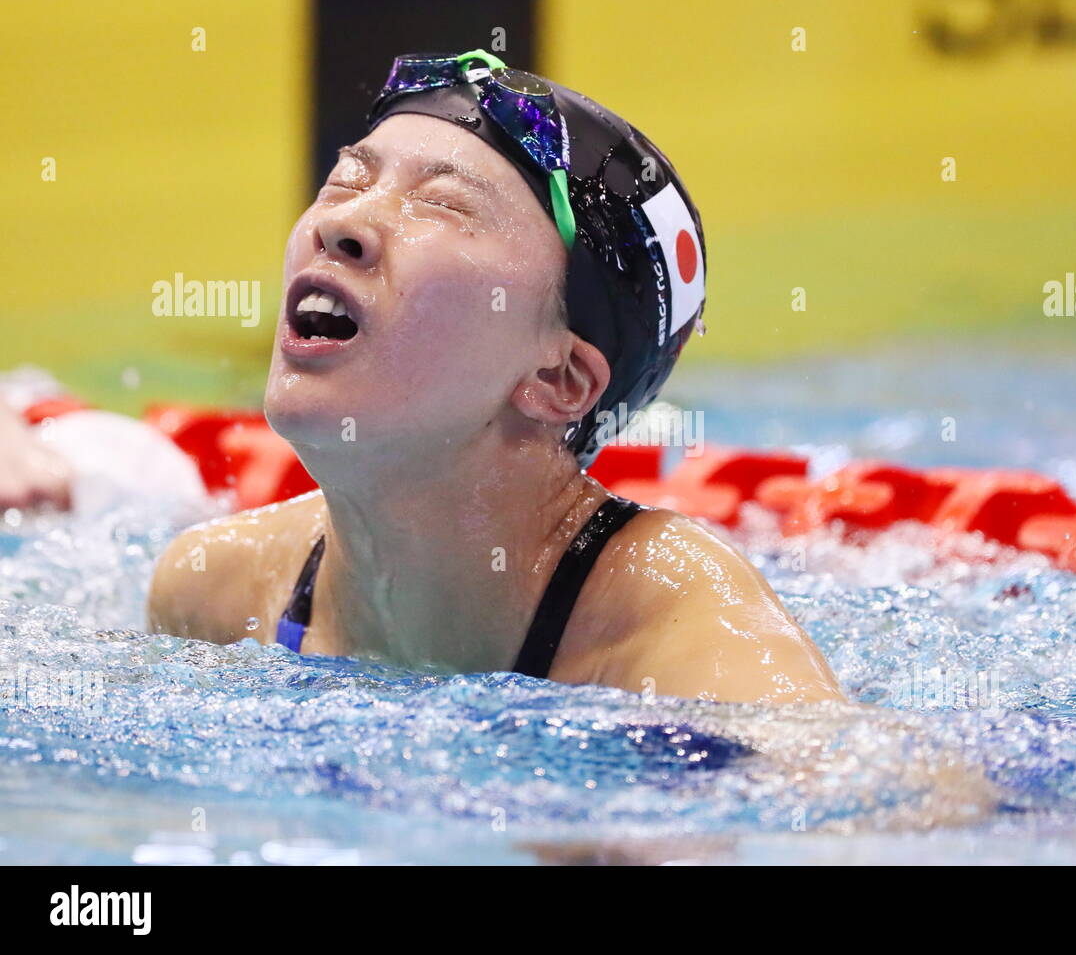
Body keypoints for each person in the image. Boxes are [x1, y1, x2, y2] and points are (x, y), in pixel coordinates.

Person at [145, 50, 844, 705]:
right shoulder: (217, 592)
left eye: (442, 204)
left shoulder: (683, 636)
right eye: (348, 180)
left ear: (559, 378)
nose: (343, 223)